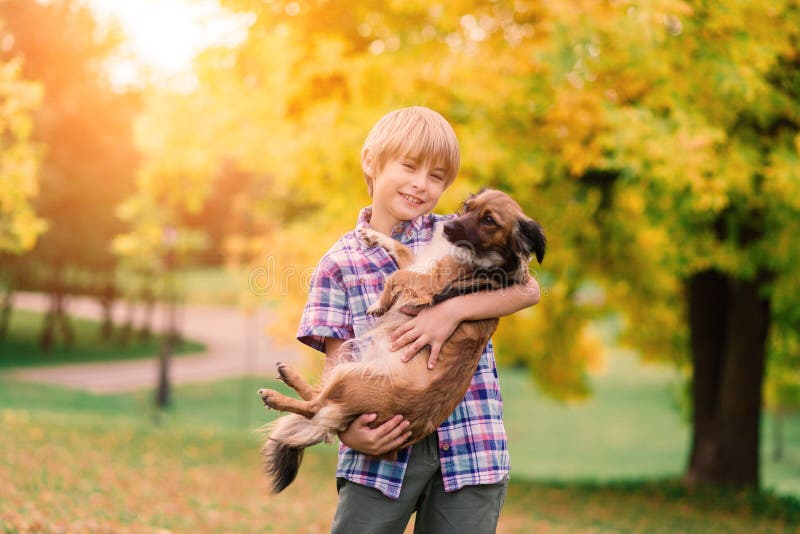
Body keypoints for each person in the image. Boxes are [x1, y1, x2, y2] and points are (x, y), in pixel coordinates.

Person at [297, 106, 540, 533]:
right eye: (409, 167)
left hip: (470, 445)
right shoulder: (338, 265)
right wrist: (350, 433)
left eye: (437, 176)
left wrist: (451, 311)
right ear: (371, 161)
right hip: (381, 449)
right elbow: (338, 365)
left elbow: (528, 289)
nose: (420, 184)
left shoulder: (460, 233)